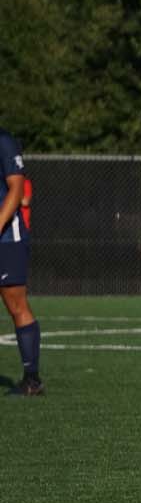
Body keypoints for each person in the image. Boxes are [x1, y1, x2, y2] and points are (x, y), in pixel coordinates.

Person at [0, 129, 41, 395]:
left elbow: (16, 189)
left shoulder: (3, 141)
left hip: (7, 239)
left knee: (16, 305)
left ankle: (32, 379)